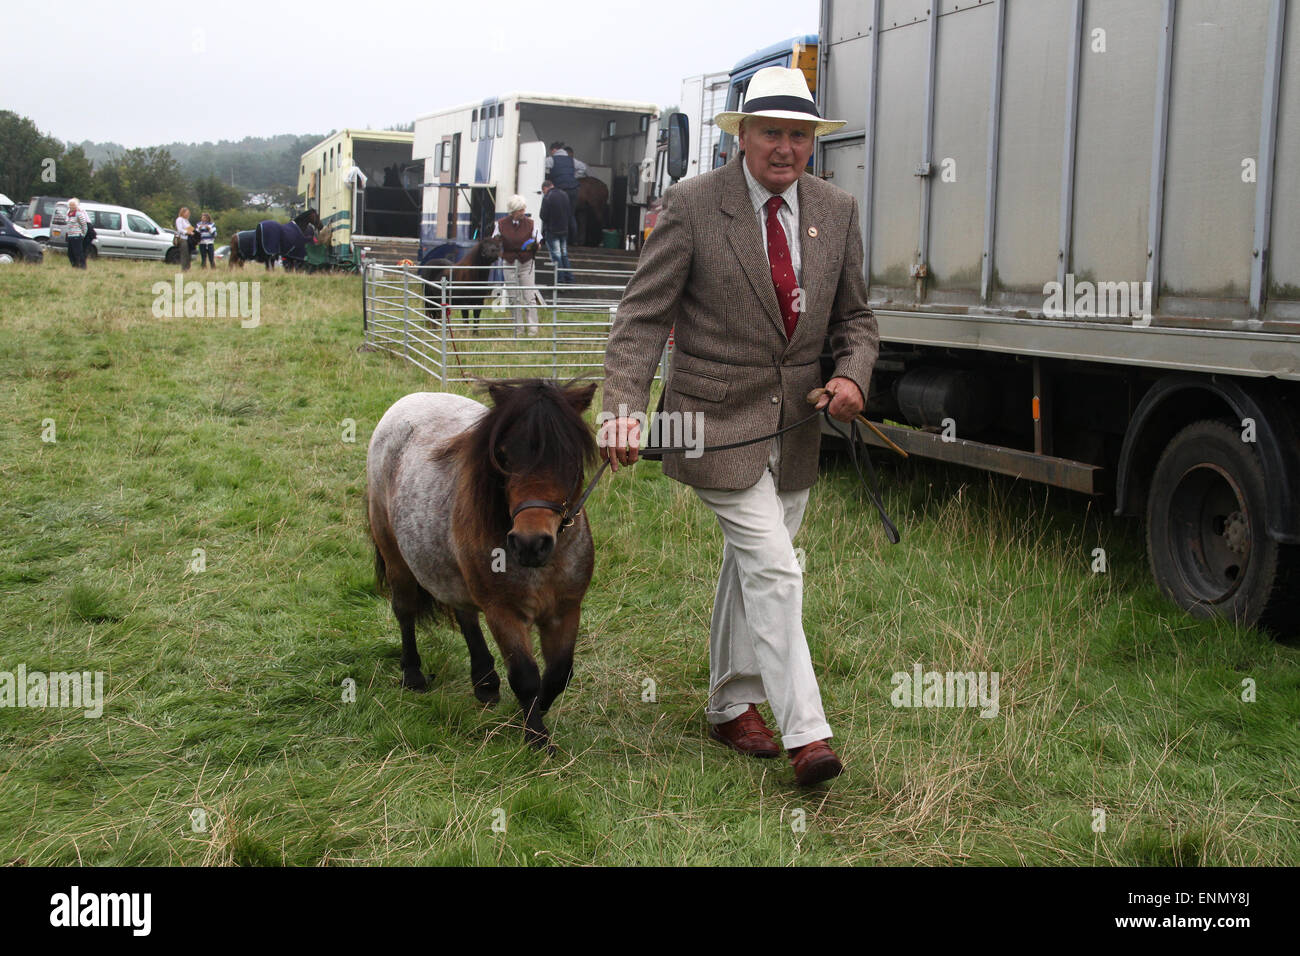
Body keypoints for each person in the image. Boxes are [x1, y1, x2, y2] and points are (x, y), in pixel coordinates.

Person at [599, 67, 879, 788]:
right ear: (742, 136)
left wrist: (851, 376)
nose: (785, 148)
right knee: (778, 567)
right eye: (771, 133)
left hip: (796, 430)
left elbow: (855, 320)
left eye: (799, 135)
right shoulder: (692, 205)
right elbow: (640, 318)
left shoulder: (837, 210)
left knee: (753, 564)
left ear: (813, 142)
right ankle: (808, 734)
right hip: (709, 423)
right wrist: (624, 411)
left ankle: (730, 705)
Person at [492, 195, 542, 337]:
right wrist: (500, 254)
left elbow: (539, 240)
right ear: (513, 211)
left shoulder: (531, 223)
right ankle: (518, 329)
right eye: (521, 210)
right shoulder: (501, 224)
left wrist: (535, 245)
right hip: (509, 263)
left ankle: (533, 330)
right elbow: (495, 241)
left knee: (529, 297)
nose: (523, 212)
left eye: (524, 209)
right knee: (514, 298)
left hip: (526, 263)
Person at [544, 142, 582, 244]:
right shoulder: (572, 160)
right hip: (574, 189)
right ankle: (574, 241)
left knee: (555, 214)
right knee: (571, 215)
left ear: (553, 150)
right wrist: (573, 176)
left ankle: (555, 240)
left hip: (560, 190)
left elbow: (539, 164)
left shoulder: (551, 160)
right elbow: (583, 168)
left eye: (551, 152)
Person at [540, 180, 574, 284]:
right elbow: (569, 212)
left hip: (552, 230)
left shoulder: (547, 197)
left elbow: (543, 215)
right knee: (564, 254)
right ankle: (569, 278)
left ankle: (560, 280)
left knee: (556, 256)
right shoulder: (564, 195)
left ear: (545, 188)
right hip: (564, 230)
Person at [64, 198, 90, 269]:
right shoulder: (68, 213)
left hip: (77, 236)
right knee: (70, 253)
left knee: (78, 253)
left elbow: (84, 225)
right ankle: (74, 266)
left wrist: (83, 235)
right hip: (70, 236)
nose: (72, 207)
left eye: (73, 205)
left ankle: (82, 267)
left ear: (76, 206)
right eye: (70, 205)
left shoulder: (79, 214)